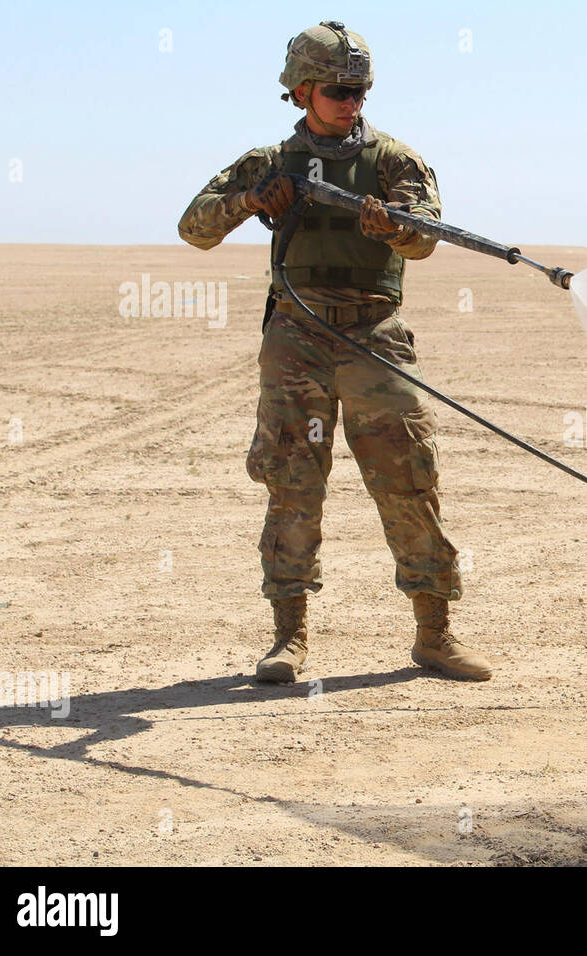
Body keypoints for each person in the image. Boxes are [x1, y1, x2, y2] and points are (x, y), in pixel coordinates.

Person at [177, 20, 492, 682]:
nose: (351, 103)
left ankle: (434, 634)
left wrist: (394, 228)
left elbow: (424, 237)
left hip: (375, 336)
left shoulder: (393, 161)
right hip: (297, 339)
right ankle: (288, 638)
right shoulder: (270, 162)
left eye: (359, 91)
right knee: (292, 482)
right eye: (336, 90)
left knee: (409, 480)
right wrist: (251, 200)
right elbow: (194, 227)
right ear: (299, 91)